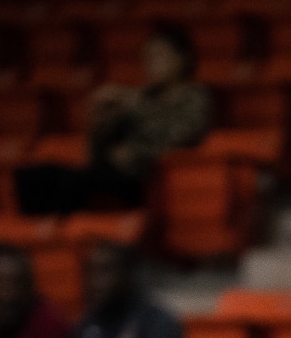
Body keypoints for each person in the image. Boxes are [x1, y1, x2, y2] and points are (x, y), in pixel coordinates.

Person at [14, 24, 213, 215]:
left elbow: (181, 138)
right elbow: (96, 152)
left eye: (159, 56)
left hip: (149, 178)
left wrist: (135, 151)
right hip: (112, 171)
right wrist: (100, 121)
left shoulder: (194, 97)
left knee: (74, 184)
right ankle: (38, 237)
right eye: (147, 58)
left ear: (183, 58)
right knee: (35, 176)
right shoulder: (140, 96)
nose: (151, 64)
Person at [47, 243, 182, 338]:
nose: (95, 281)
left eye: (105, 270)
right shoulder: (88, 323)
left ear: (129, 274)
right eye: (91, 271)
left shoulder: (157, 322)